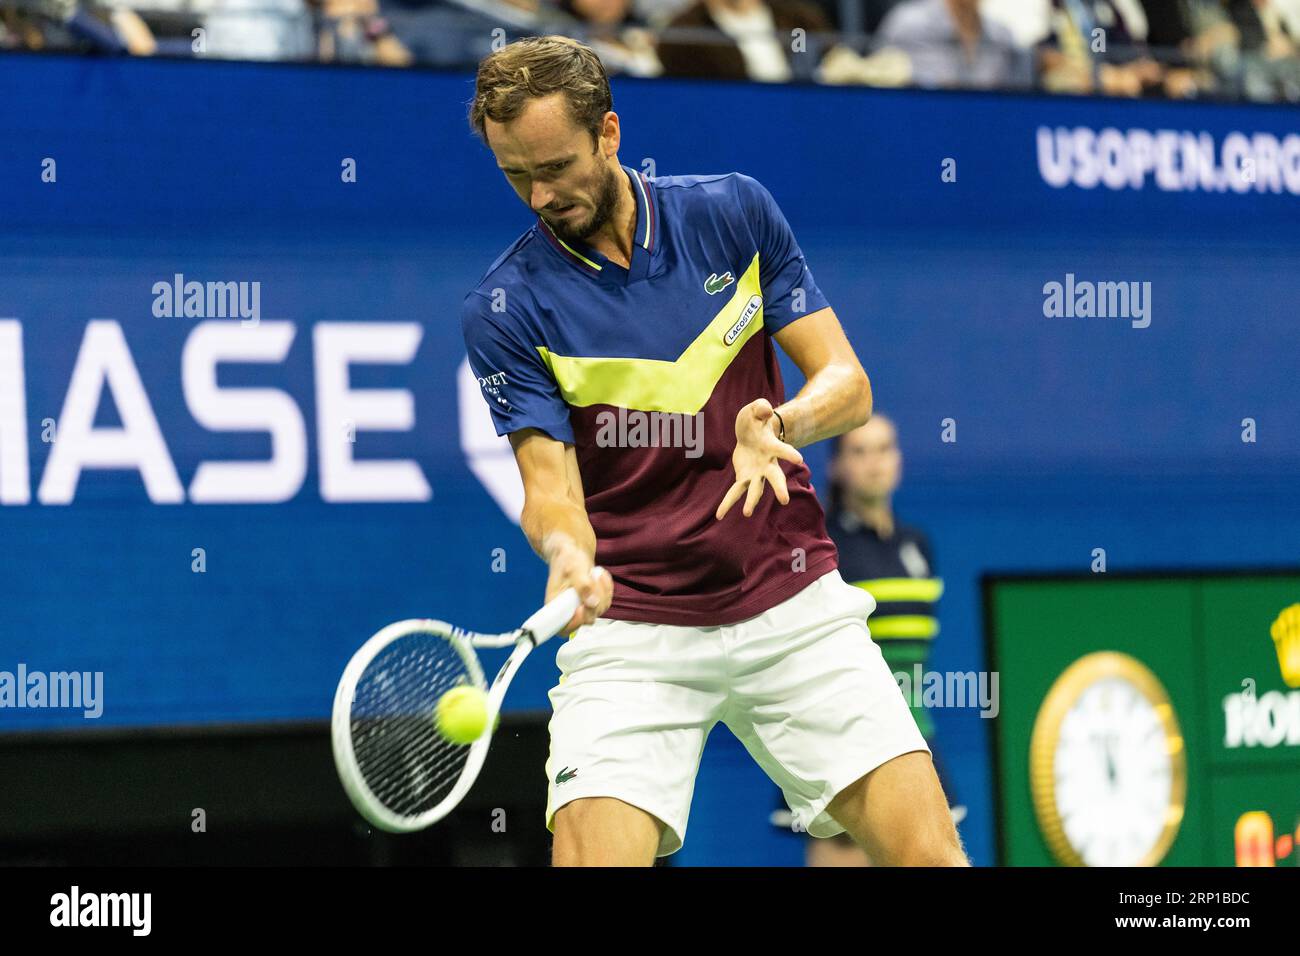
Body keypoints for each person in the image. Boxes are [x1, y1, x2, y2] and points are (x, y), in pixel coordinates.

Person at [461, 35, 968, 866]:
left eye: (556, 165)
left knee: (932, 857)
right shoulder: (506, 309)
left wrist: (784, 426)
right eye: (517, 175)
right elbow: (549, 488)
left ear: (610, 133)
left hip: (787, 595)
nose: (541, 194)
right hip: (633, 623)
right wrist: (566, 552)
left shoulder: (733, 213)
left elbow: (847, 381)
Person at [773, 414, 963, 866]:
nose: (875, 462)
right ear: (837, 467)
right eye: (859, 451)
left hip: (918, 733)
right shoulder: (821, 548)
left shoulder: (919, 545)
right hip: (843, 737)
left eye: (884, 449)